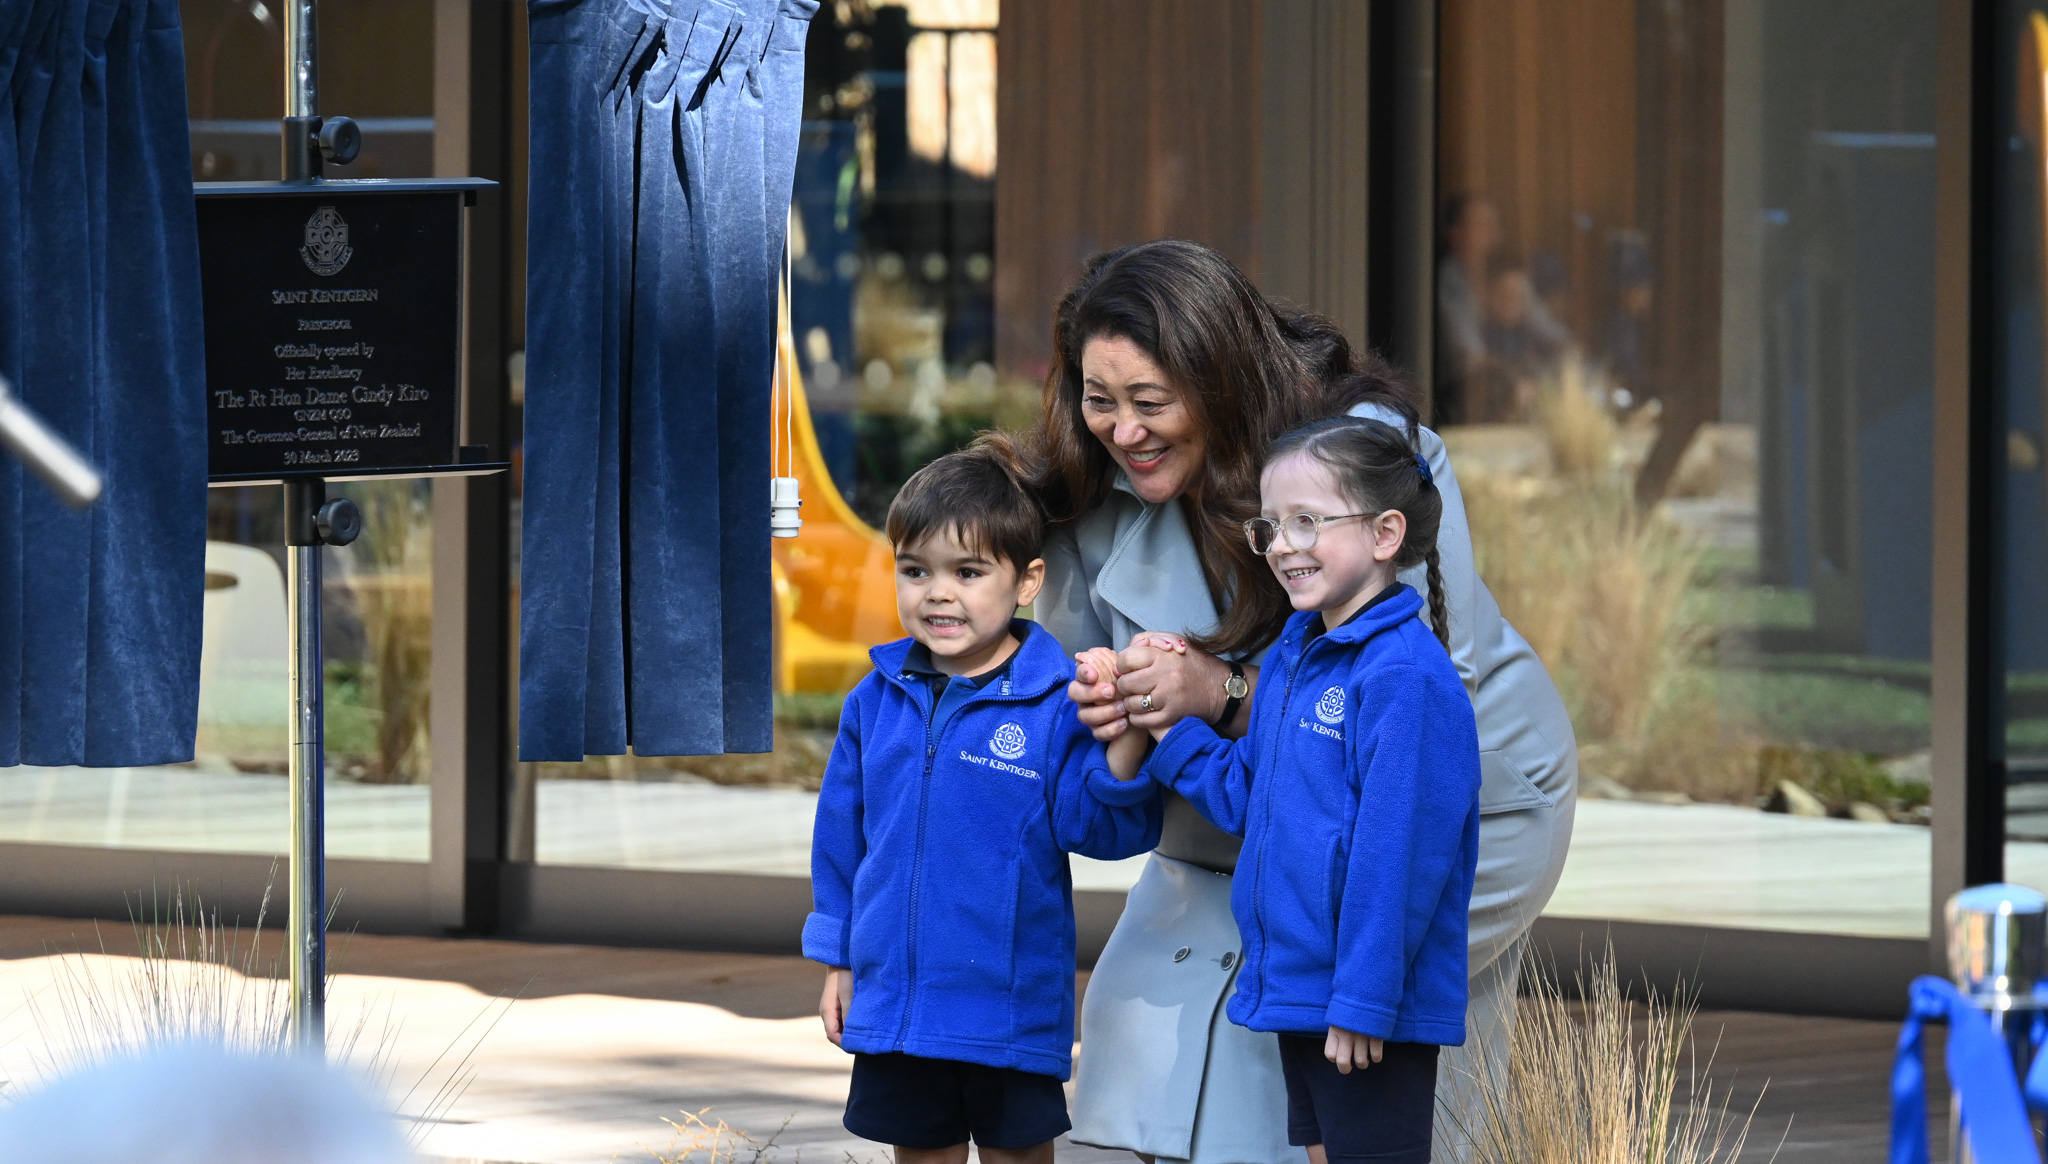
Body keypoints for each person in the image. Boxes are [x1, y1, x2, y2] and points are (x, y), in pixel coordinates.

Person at [1020, 238, 1575, 1164]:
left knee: (1356, 1056)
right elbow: (1095, 776)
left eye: (1151, 401)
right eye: (1099, 399)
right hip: (1237, 829)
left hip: (1442, 809)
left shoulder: (1372, 456)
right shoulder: (1086, 498)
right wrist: (1111, 718)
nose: (1124, 431)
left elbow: (1416, 708)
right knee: (1158, 1074)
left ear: (1222, 378)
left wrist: (1220, 691)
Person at [1133, 415, 1482, 1164]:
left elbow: (1399, 862)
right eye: (1271, 526)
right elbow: (1251, 801)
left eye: (1307, 522)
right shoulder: (1298, 656)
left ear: (1386, 534)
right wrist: (1171, 731)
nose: (1283, 545)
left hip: (1362, 1005)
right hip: (1302, 989)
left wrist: (1364, 999)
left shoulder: (1405, 680)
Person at [802, 447, 1163, 1164]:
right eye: (916, 570)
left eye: (968, 573)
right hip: (901, 1006)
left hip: (1007, 1007)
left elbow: (1095, 827)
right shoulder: (874, 702)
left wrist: (1131, 739)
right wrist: (838, 960)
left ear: (1027, 580)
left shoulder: (1055, 701)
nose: (939, 594)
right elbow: (840, 843)